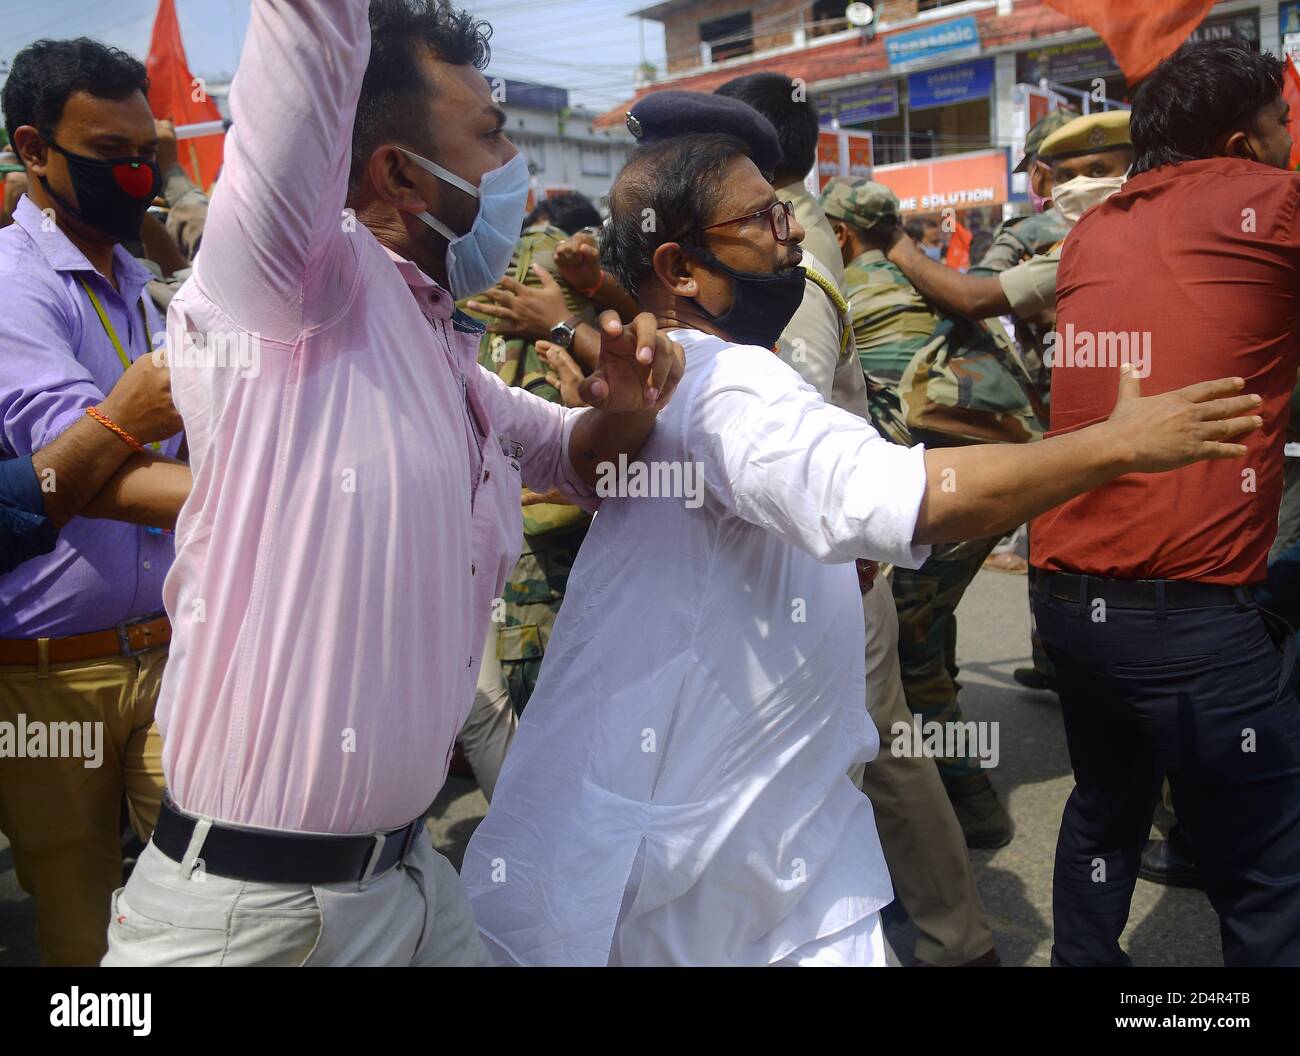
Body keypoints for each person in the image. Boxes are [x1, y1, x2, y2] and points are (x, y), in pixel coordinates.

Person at [461, 129, 1261, 966]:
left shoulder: (687, 378)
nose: (793, 232)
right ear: (680, 270)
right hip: (727, 878)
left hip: (715, 851)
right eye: (765, 219)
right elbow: (907, 496)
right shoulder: (731, 383)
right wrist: (1113, 446)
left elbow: (591, 456)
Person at [102, 0, 682, 968]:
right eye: (490, 134)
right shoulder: (290, 289)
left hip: (408, 884)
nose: (515, 169)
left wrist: (626, 403)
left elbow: (583, 462)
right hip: (253, 919)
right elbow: (306, 32)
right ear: (399, 175)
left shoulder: (445, 351)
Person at [694, 83, 996, 964]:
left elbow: (787, 421)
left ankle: (932, 935)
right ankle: (947, 931)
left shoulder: (780, 254)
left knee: (850, 752)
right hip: (821, 554)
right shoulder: (780, 232)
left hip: (822, 560)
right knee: (882, 746)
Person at [1030, 39, 1300, 967]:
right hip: (1188, 615)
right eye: (1282, 125)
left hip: (1065, 596)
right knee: (1266, 867)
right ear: (1240, 140)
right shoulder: (1270, 202)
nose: (1289, 141)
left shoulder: (1091, 228)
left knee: (1103, 817)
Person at [0, 36, 192, 966]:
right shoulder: (11, 283)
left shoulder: (139, 287)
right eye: (111, 155)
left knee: (201, 899)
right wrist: (269, 507)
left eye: (146, 153)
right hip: (49, 677)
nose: (138, 174)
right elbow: (69, 468)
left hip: (169, 655)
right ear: (35, 150)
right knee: (79, 923)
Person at [823, 174, 1043, 849]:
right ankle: (944, 725)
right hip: (1001, 480)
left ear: (839, 233)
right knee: (929, 617)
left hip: (937, 497)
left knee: (910, 641)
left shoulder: (845, 297)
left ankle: (969, 794)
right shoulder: (938, 282)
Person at [456, 193, 605, 797]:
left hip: (523, 575)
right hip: (550, 572)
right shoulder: (572, 292)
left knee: (523, 729)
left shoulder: (472, 293)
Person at [0, 353, 185, 575]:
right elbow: (69, 471)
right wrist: (121, 418)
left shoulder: (152, 320)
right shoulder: (19, 319)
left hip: (170, 604)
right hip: (55, 609)